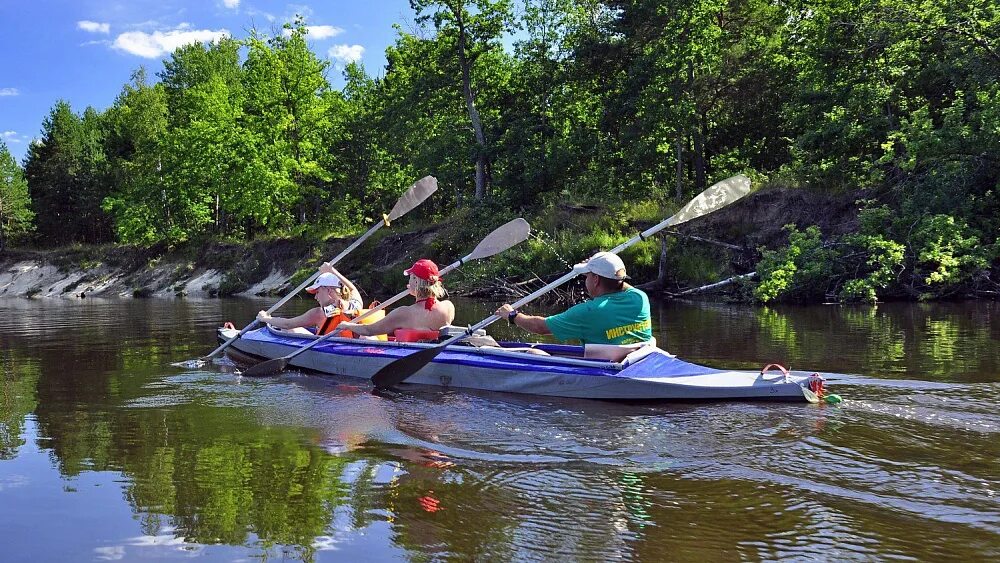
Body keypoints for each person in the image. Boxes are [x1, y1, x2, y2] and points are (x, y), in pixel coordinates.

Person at [495, 251, 653, 360]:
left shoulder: (588, 312)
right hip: (637, 359)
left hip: (603, 368)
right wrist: (595, 269)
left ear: (596, 279)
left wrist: (512, 315)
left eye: (588, 276)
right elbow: (615, 280)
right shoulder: (640, 298)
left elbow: (540, 327)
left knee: (532, 352)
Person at [337, 258, 455, 338]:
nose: (409, 280)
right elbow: (428, 308)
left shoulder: (403, 313)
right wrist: (416, 291)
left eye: (411, 277)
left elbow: (369, 330)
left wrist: (346, 325)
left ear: (415, 281)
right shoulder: (448, 307)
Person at [256, 263, 363, 335]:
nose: (316, 297)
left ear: (328, 291)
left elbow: (287, 324)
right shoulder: (355, 304)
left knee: (287, 328)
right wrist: (332, 271)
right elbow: (352, 288)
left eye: (317, 292)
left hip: (330, 349)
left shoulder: (320, 313)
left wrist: (265, 318)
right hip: (348, 344)